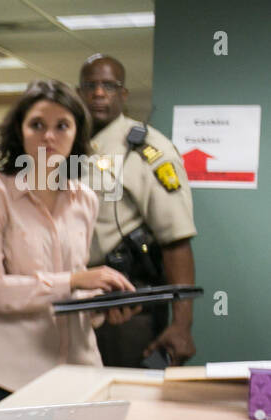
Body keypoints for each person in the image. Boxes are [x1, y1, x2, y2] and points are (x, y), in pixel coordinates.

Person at [0, 80, 137, 420]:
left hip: (77, 372)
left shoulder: (85, 199)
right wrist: (76, 279)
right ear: (19, 131)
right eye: (37, 125)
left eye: (62, 126)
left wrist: (101, 305)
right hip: (2, 376)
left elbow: (69, 287)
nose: (49, 136)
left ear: (77, 135)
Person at [78, 54, 198, 367]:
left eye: (109, 85)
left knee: (127, 408)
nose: (99, 93)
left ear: (123, 94)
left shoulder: (147, 150)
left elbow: (176, 239)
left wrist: (182, 324)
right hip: (75, 306)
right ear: (79, 93)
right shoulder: (65, 146)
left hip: (127, 310)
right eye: (90, 86)